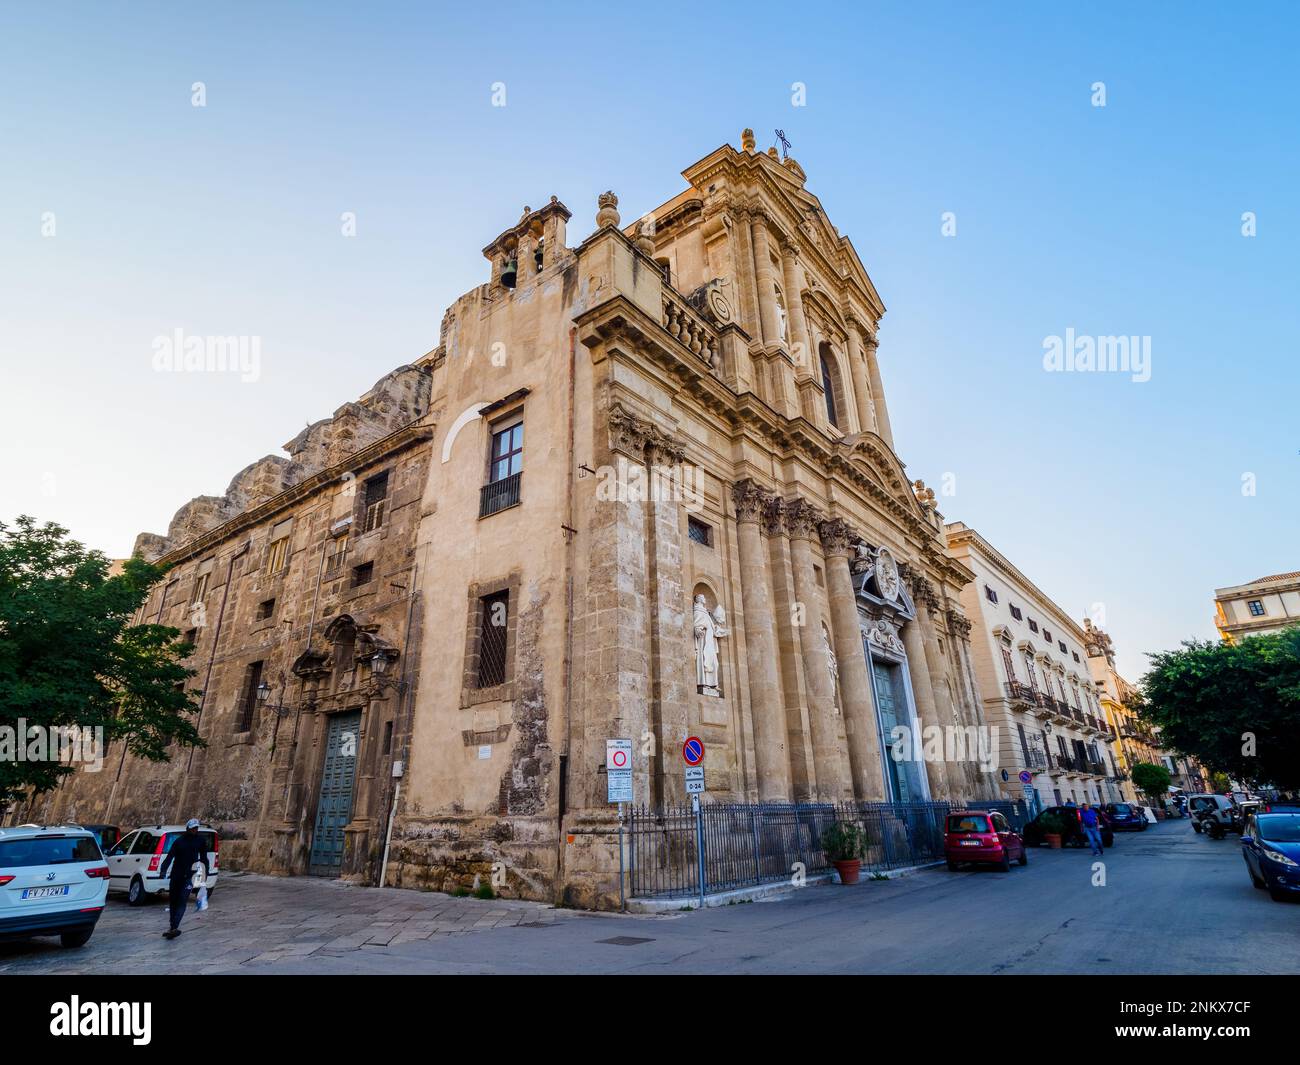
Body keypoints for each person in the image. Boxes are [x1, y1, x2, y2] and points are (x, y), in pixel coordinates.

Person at [159, 819, 210, 940]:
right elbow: (170, 856)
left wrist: (205, 873)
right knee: (174, 901)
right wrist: (163, 870)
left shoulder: (200, 841)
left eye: (196, 828)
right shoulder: (179, 842)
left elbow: (204, 859)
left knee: (182, 900)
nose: (195, 830)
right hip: (176, 875)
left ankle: (175, 926)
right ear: (188, 829)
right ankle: (172, 927)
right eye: (193, 828)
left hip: (189, 877)